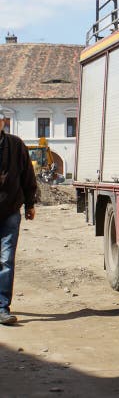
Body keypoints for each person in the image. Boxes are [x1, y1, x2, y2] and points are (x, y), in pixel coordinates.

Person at [0, 108, 38, 325]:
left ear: (3, 122)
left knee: (6, 260)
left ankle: (2, 308)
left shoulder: (15, 146)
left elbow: (27, 176)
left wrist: (30, 204)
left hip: (10, 211)